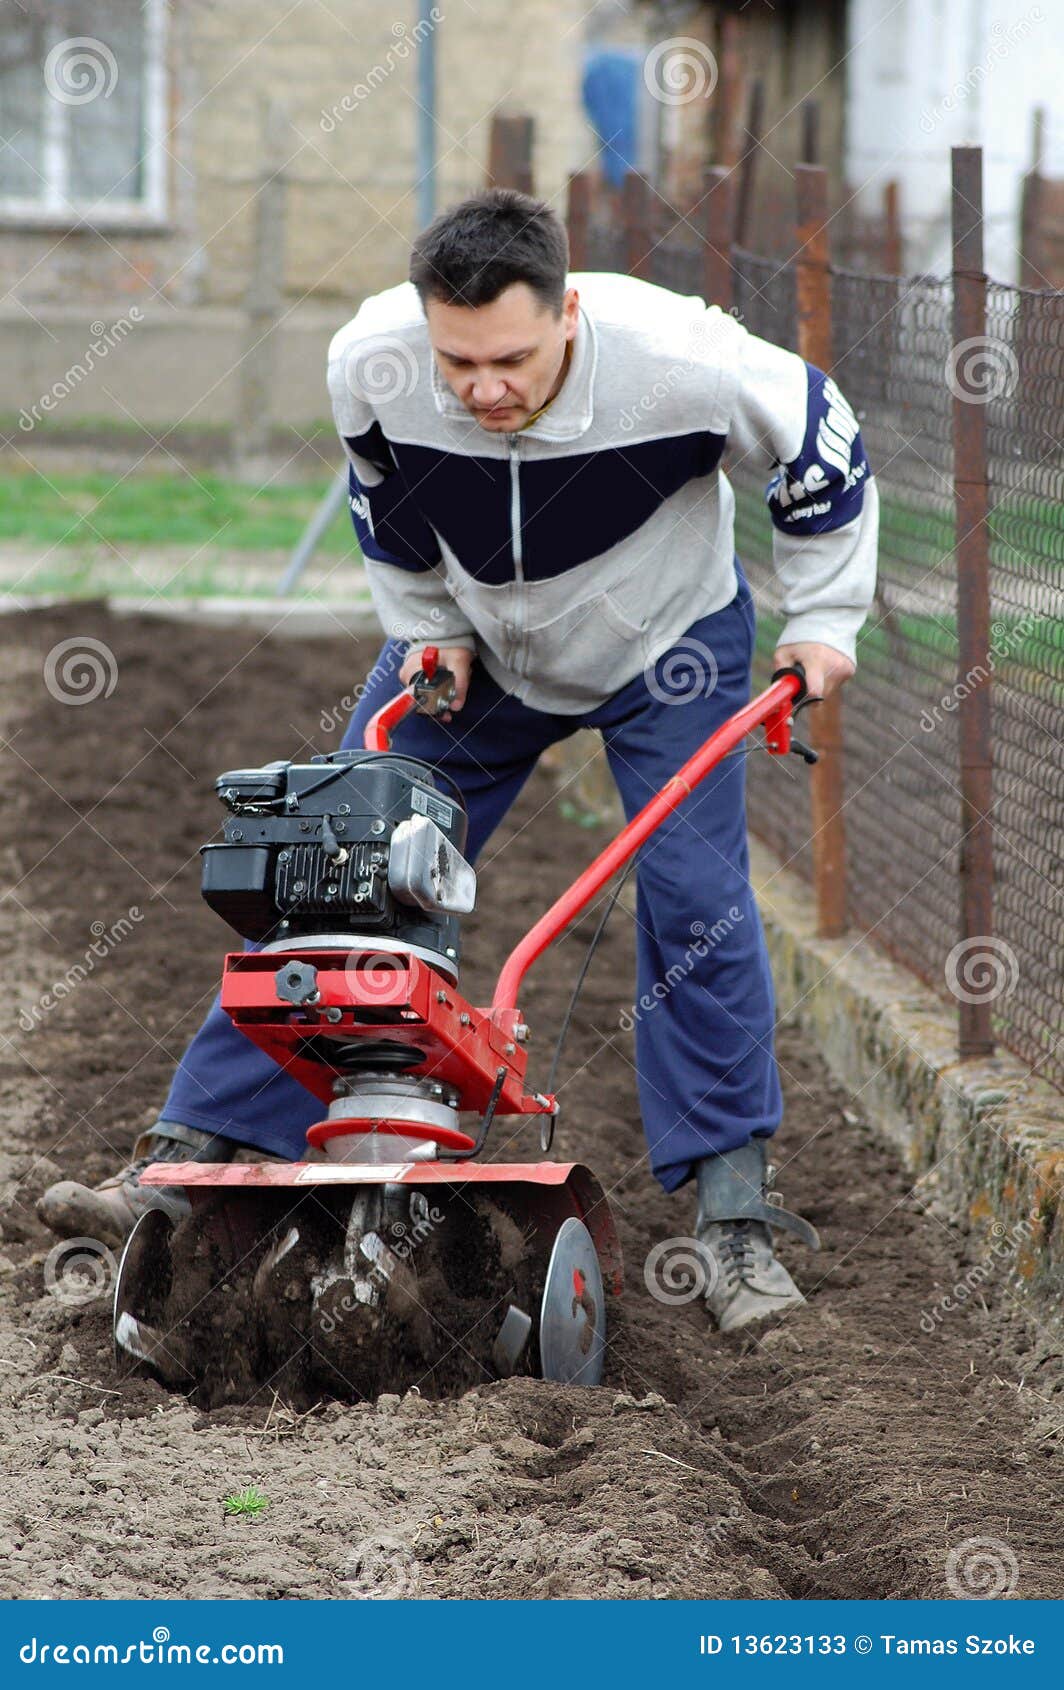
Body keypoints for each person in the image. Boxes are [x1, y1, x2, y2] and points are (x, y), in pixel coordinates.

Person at [39, 188, 877, 1333]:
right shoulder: (371, 364)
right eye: (458, 362)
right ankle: (190, 1157)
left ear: (568, 314)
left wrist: (822, 622)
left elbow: (823, 442)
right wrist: (429, 623)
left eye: (511, 359)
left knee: (693, 900)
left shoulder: (684, 361)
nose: (483, 387)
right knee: (333, 868)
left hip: (663, 645)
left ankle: (732, 1222)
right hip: (475, 647)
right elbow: (380, 500)